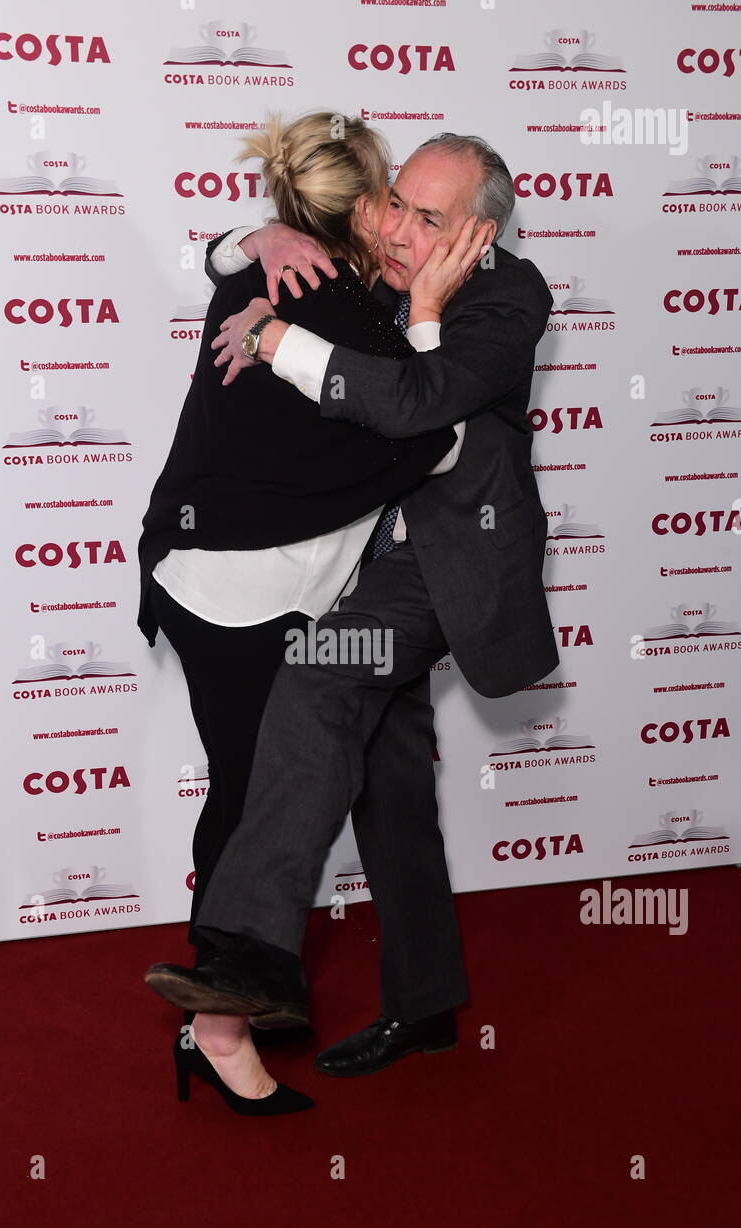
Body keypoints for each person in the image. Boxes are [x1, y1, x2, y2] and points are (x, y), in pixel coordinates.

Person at [143, 133, 560, 1092]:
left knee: (318, 680)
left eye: (428, 217)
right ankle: (424, 1008)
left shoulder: (509, 300)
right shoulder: (380, 258)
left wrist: (285, 337)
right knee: (393, 782)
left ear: (481, 235)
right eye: (395, 204)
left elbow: (419, 406)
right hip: (358, 567)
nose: (398, 231)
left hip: (437, 570)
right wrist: (257, 238)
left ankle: (246, 965)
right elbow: (268, 253)